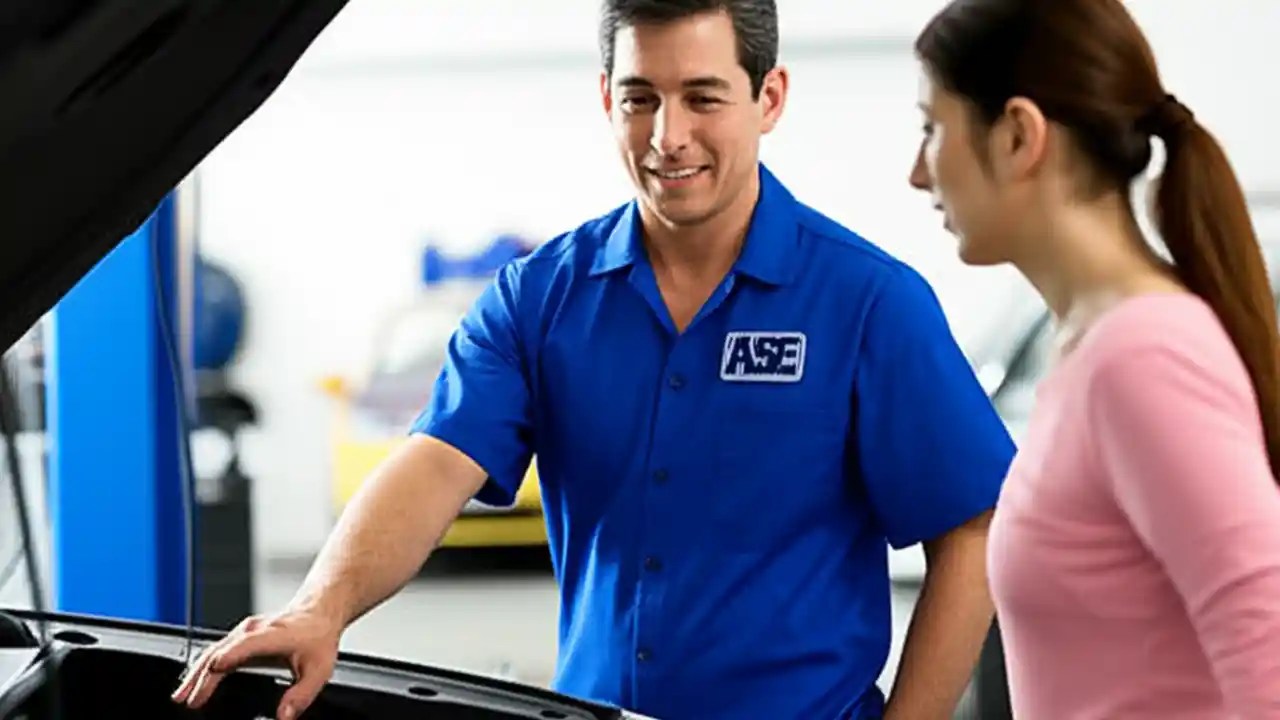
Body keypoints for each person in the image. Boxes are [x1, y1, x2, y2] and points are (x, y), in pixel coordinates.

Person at [173, 2, 1015, 718]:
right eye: (641, 98)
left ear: (770, 98)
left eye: (703, 97)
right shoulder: (540, 299)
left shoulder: (867, 303)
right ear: (608, 97)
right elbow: (434, 463)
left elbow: (971, 528)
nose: (668, 136)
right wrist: (320, 607)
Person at [908, 1, 1280, 717]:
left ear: (1018, 135)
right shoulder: (1091, 348)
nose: (917, 174)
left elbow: (1269, 656)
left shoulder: (1145, 357)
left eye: (932, 129)